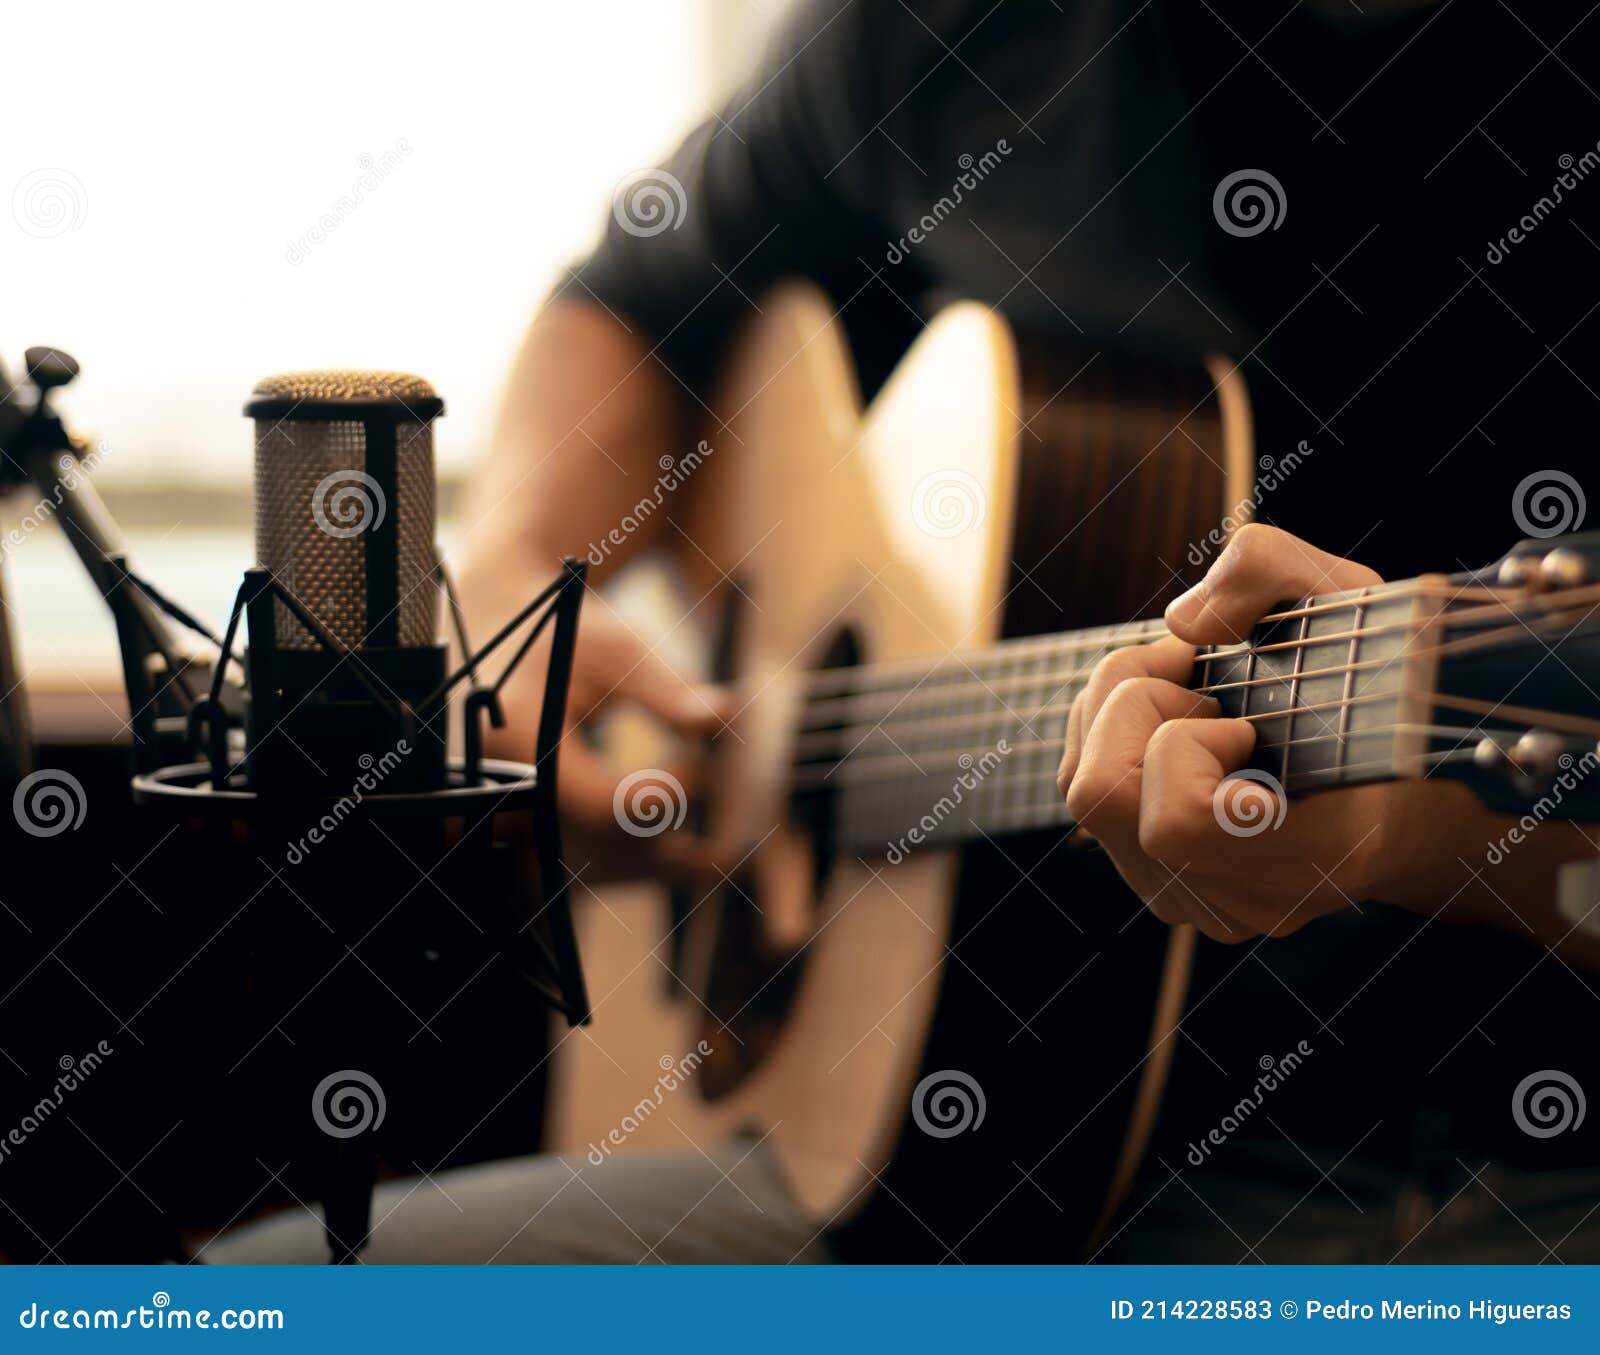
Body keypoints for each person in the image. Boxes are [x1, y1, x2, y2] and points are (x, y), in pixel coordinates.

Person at [211, 0, 1600, 1262]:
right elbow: (631, 300)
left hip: (1509, 1166)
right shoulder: (939, 29)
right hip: (932, 1147)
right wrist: (522, 584)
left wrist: (1396, 834)